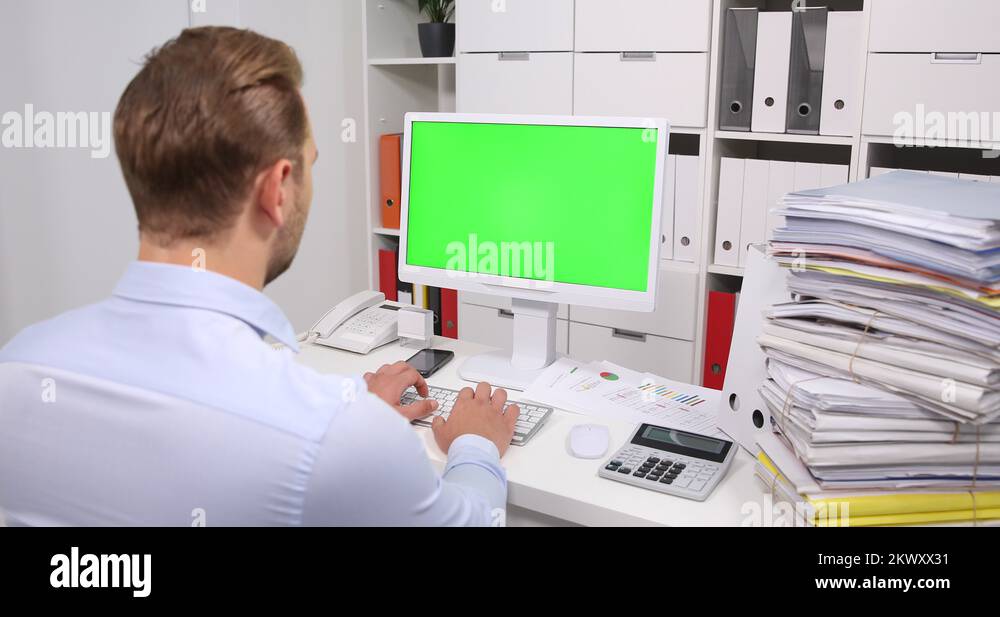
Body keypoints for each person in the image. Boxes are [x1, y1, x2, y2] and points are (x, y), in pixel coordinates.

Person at [0, 27, 519, 526]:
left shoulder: (19, 368)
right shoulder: (338, 439)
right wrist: (474, 445)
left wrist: (350, 423)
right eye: (311, 164)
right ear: (277, 190)